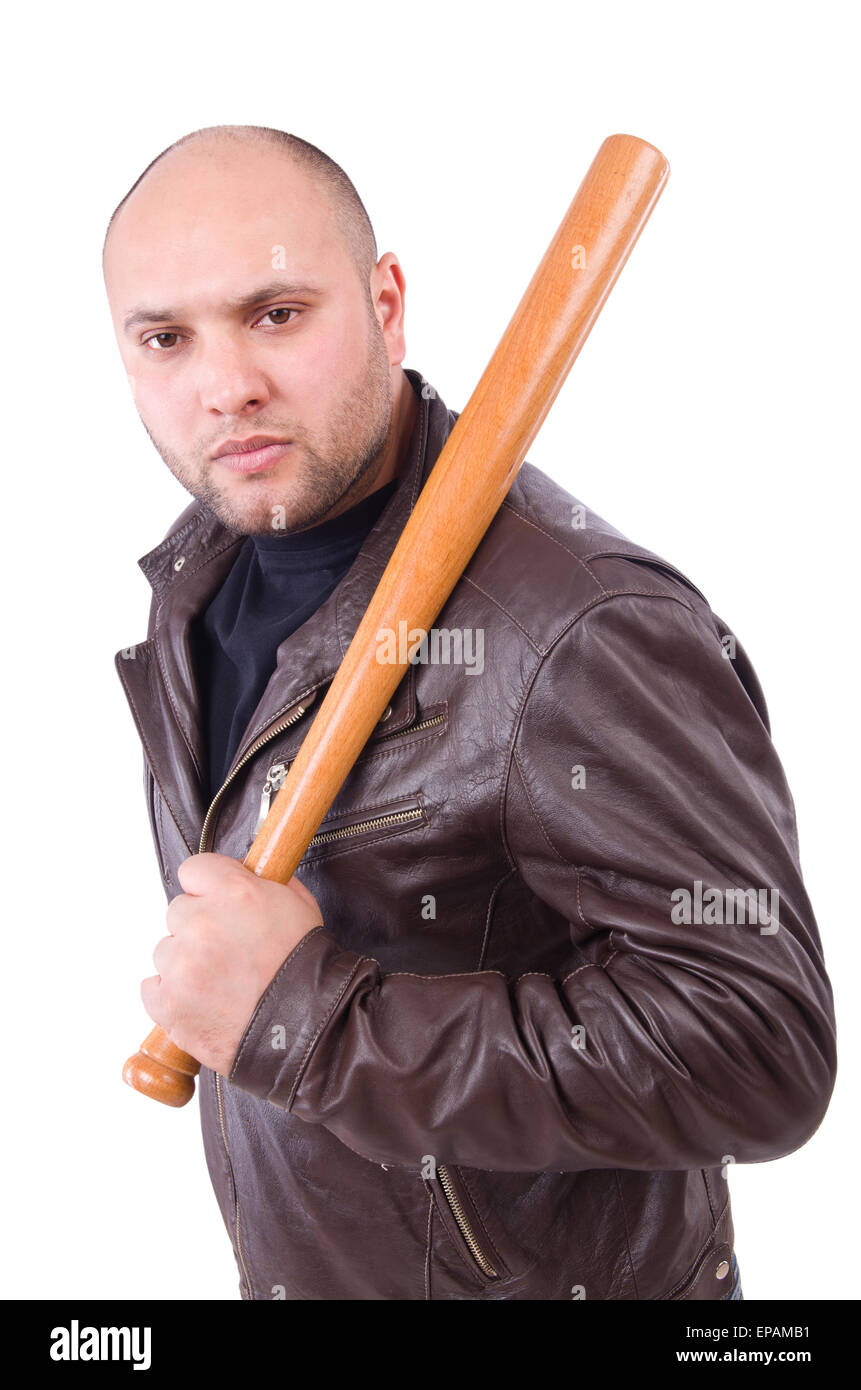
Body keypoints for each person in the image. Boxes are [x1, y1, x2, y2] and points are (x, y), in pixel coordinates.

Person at [104, 124, 836, 1300]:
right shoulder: (202, 582)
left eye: (278, 313)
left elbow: (760, 1045)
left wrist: (315, 1021)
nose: (224, 381)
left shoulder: (580, 630)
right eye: (165, 337)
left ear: (388, 303)